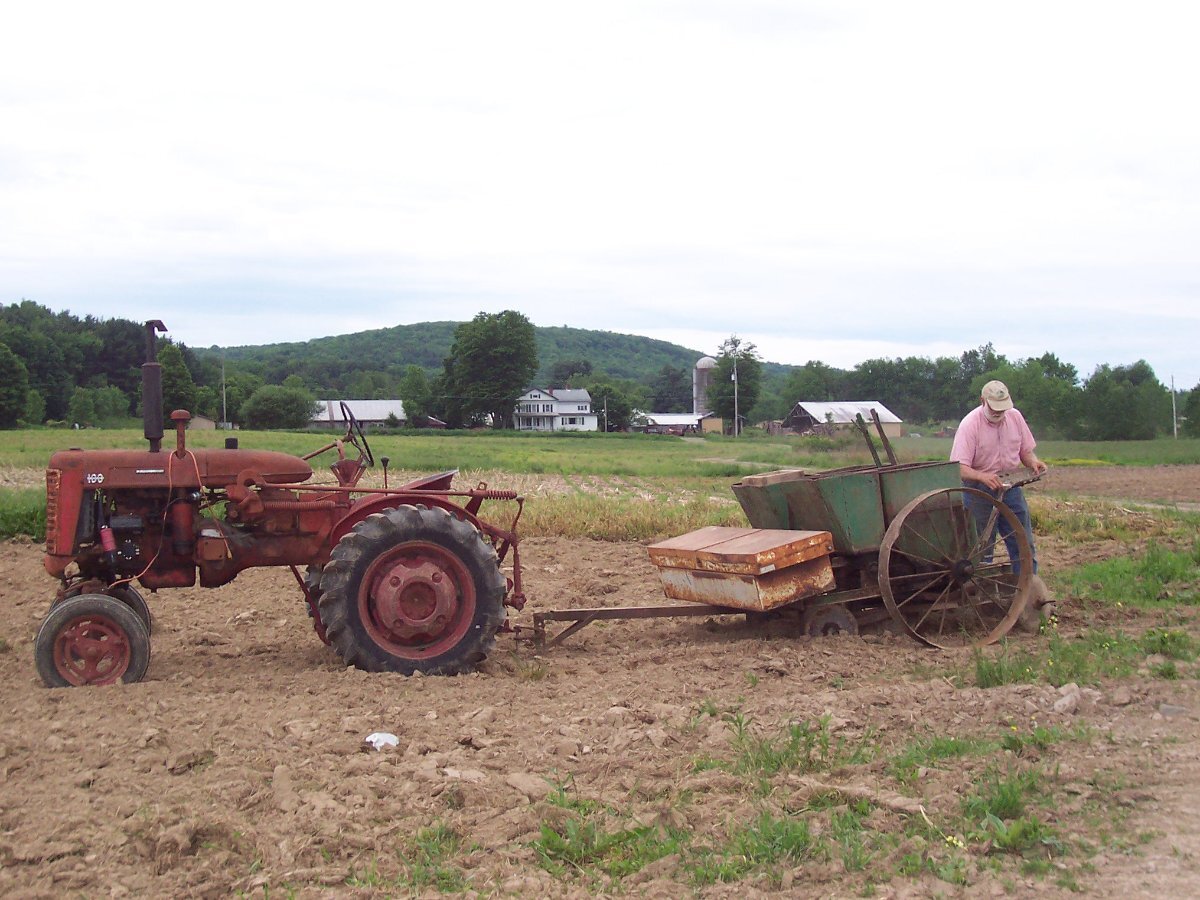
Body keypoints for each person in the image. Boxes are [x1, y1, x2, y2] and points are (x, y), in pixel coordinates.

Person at [949, 380, 1047, 575]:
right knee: (980, 549)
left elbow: (1025, 451)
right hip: (978, 492)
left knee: (1023, 543)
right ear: (982, 401)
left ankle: (1027, 586)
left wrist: (1033, 462)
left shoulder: (1015, 417)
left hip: (1010, 488)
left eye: (1002, 408)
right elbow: (959, 467)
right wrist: (982, 476)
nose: (998, 413)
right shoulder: (970, 424)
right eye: (994, 408)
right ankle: (983, 588)